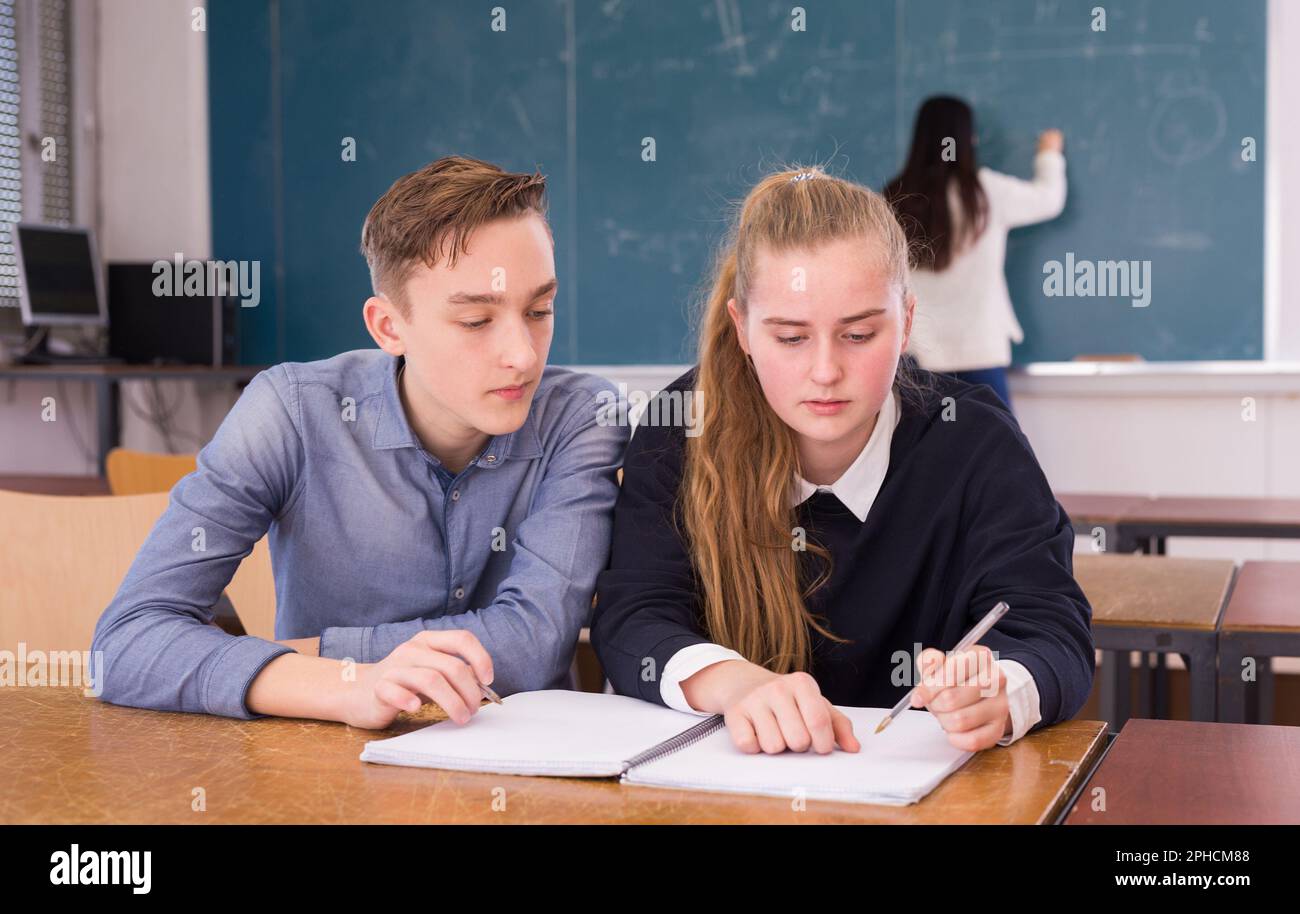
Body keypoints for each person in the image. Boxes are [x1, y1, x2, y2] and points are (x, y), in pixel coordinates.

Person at [92, 156, 628, 728]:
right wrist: (347, 688)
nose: (523, 355)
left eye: (539, 310)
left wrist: (310, 656)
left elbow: (532, 645)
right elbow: (124, 643)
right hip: (327, 768)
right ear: (388, 327)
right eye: (476, 321)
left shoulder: (582, 417)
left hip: (523, 774)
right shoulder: (291, 412)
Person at [591, 165, 1093, 755]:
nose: (825, 371)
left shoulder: (974, 438)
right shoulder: (682, 425)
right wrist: (738, 686)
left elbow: (1052, 626)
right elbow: (633, 615)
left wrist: (1004, 689)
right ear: (743, 328)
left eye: (858, 335)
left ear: (905, 321)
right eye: (790, 337)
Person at [885, 96, 1067, 410]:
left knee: (921, 455)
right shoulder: (986, 193)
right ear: (968, 140)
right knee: (997, 452)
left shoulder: (891, 199)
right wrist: (1049, 154)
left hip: (917, 356)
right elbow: (1048, 199)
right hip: (980, 349)